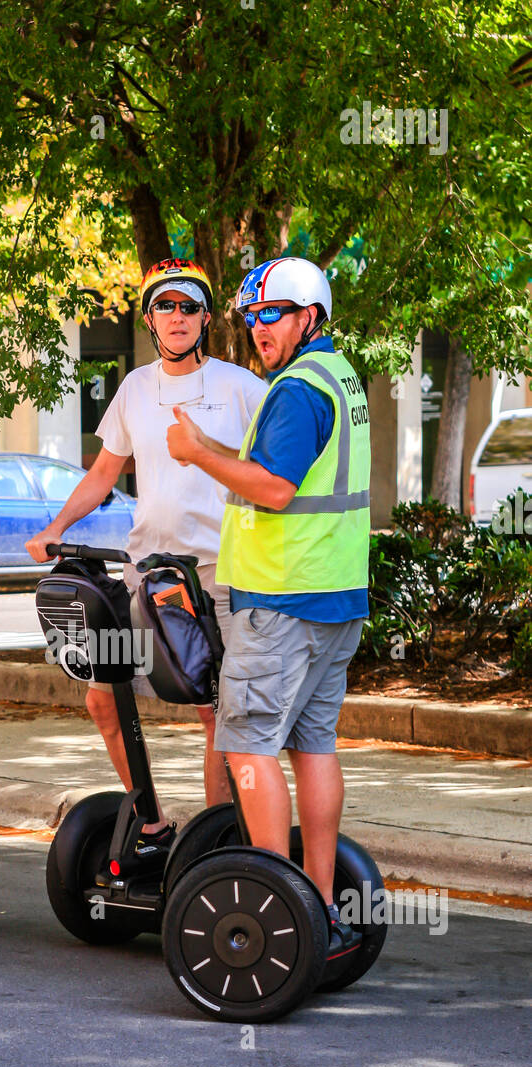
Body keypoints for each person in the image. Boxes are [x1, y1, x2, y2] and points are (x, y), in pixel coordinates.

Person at [26, 258, 267, 856]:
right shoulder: (135, 388)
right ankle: (153, 822)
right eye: (166, 306)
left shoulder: (242, 387)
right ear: (150, 317)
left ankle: (217, 845)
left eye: (189, 306)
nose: (178, 317)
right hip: (148, 574)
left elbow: (274, 473)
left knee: (216, 714)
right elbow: (106, 470)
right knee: (103, 694)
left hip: (217, 576)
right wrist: (55, 526)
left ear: (206, 318)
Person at [166, 256, 371, 931]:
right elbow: (274, 467)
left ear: (308, 315)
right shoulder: (339, 378)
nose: (259, 328)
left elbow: (275, 489)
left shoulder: (295, 390)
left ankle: (274, 906)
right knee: (314, 747)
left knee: (249, 748)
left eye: (272, 314)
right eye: (252, 317)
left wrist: (196, 455)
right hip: (336, 601)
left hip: (283, 605)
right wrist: (210, 442)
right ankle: (314, 902)